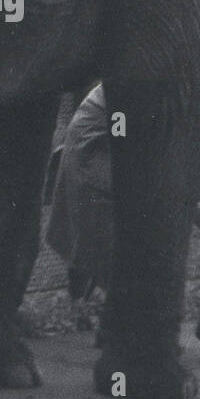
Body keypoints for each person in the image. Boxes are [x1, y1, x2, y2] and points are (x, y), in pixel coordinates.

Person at [46, 84, 114, 301]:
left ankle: (83, 271)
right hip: (90, 157)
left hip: (98, 151)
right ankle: (82, 271)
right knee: (93, 235)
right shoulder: (123, 88)